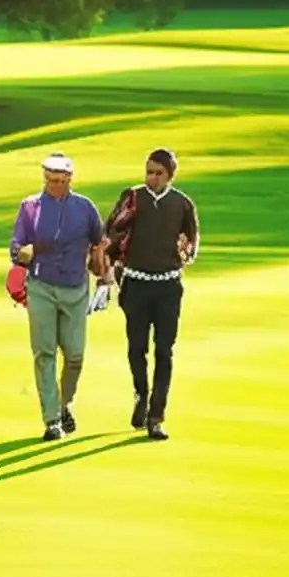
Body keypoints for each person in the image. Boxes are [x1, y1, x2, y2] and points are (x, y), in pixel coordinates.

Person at [9, 152, 115, 441]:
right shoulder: (30, 207)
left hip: (75, 288)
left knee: (75, 355)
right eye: (49, 180)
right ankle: (52, 419)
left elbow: (100, 243)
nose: (54, 185)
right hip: (41, 286)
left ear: (70, 179)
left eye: (60, 180)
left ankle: (65, 403)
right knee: (44, 353)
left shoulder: (85, 208)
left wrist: (106, 278)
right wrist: (22, 253)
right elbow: (16, 246)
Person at [104, 148, 200, 440]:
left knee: (164, 351)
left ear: (170, 175)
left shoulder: (182, 204)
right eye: (148, 171)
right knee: (136, 348)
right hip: (136, 283)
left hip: (168, 286)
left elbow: (191, 242)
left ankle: (156, 416)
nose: (152, 178)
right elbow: (111, 232)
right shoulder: (132, 198)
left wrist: (182, 253)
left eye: (158, 173)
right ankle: (141, 394)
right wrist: (107, 270)